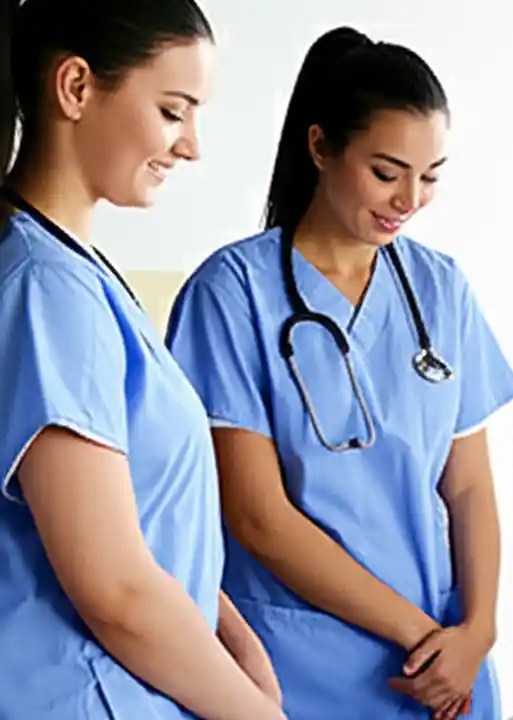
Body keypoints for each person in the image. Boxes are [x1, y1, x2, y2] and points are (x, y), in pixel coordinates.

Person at [164, 26, 513, 719]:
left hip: (446, 674)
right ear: (321, 147)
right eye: (387, 173)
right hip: (298, 670)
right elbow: (257, 516)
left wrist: (478, 631)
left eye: (430, 176)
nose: (409, 200)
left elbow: (469, 484)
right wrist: (420, 637)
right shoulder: (232, 294)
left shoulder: (441, 290)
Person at [0, 1, 285, 718]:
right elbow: (117, 592)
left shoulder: (78, 275)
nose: (191, 146)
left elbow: (150, 527)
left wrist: (237, 643)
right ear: (75, 87)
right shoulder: (46, 290)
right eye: (172, 111)